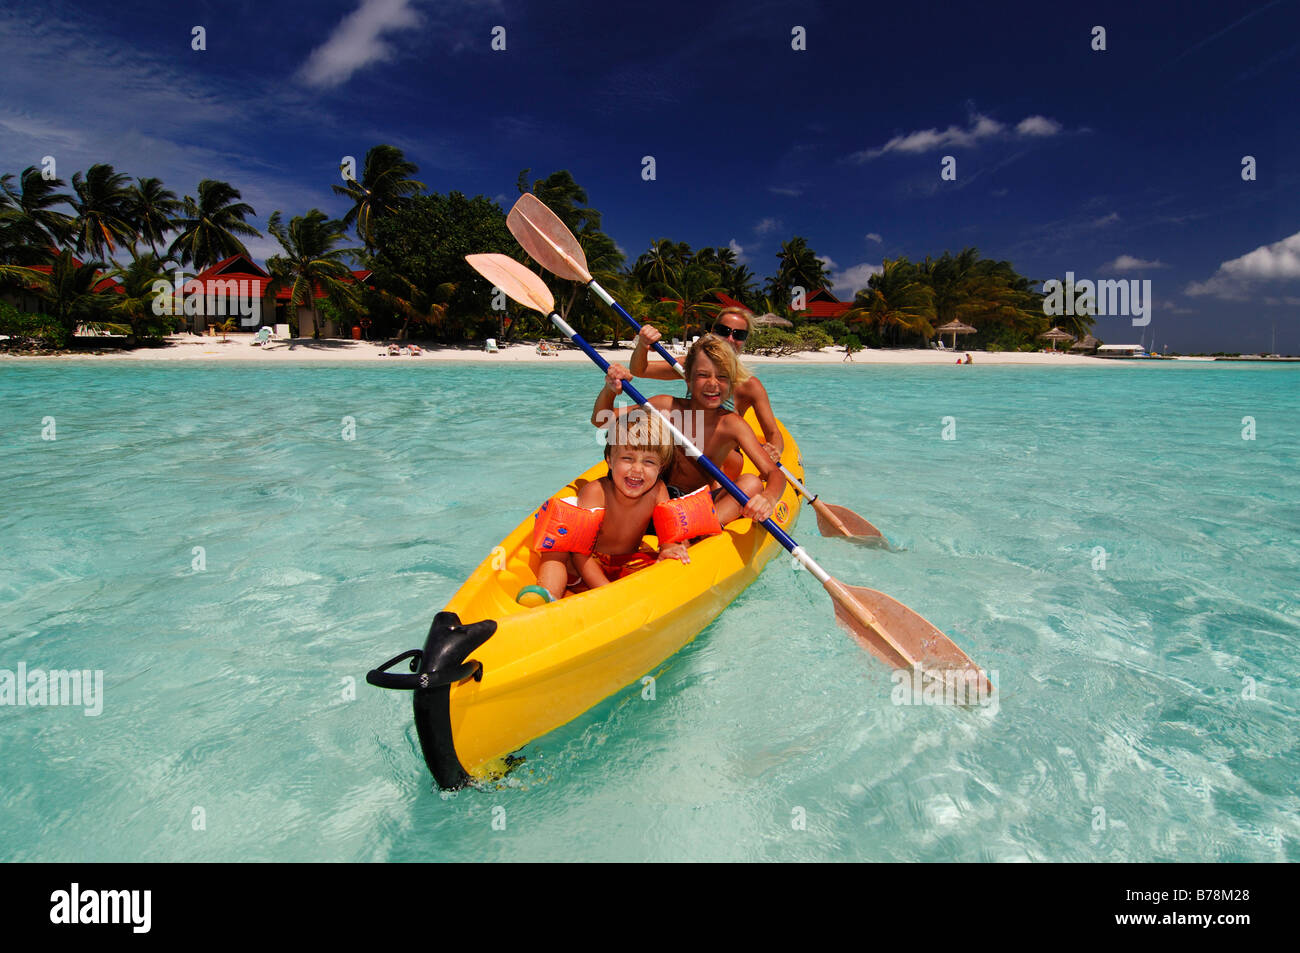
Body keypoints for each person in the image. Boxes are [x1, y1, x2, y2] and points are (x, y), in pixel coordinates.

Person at [597, 335, 786, 528]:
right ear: (687, 378)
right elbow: (601, 419)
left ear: (732, 382)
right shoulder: (666, 407)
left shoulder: (732, 425)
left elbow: (774, 473)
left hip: (690, 509)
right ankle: (684, 530)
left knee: (752, 484)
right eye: (703, 375)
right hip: (648, 499)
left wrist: (769, 498)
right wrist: (610, 390)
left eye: (722, 377)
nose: (712, 384)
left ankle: (694, 530)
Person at [531, 411, 689, 602]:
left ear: (661, 467)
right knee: (557, 550)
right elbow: (581, 555)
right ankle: (548, 595)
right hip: (587, 563)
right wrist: (607, 592)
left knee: (678, 553)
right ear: (609, 460)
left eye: (649, 462)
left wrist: (669, 549)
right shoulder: (596, 493)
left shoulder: (658, 491)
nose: (637, 469)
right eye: (627, 458)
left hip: (628, 561)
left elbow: (668, 538)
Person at [628, 306, 784, 464]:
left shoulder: (749, 385)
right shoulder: (691, 365)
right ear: (713, 331)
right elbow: (639, 370)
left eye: (739, 334)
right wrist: (643, 344)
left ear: (745, 340)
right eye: (724, 330)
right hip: (686, 447)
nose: (730, 339)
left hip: (724, 460)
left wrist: (774, 450)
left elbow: (773, 433)